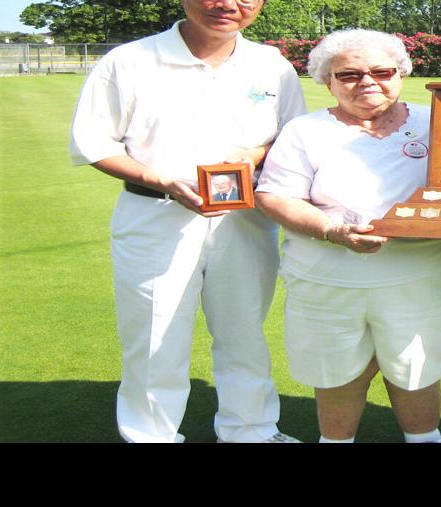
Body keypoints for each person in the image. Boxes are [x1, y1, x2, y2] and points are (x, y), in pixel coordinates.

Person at [69, 0, 307, 443]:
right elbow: (94, 142)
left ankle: (250, 430)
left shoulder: (271, 64)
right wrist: (159, 179)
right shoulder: (129, 60)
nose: (227, 5)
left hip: (245, 219)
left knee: (244, 331)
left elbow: (291, 135)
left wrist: (254, 154)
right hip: (156, 214)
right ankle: (149, 435)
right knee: (155, 335)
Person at [254, 30, 441, 444]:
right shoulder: (304, 131)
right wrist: (333, 230)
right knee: (334, 370)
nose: (367, 81)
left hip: (419, 275)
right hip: (327, 277)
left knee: (416, 365)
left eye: (382, 71)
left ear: (401, 73)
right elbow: (274, 196)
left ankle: (425, 440)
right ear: (326, 81)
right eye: (348, 75)